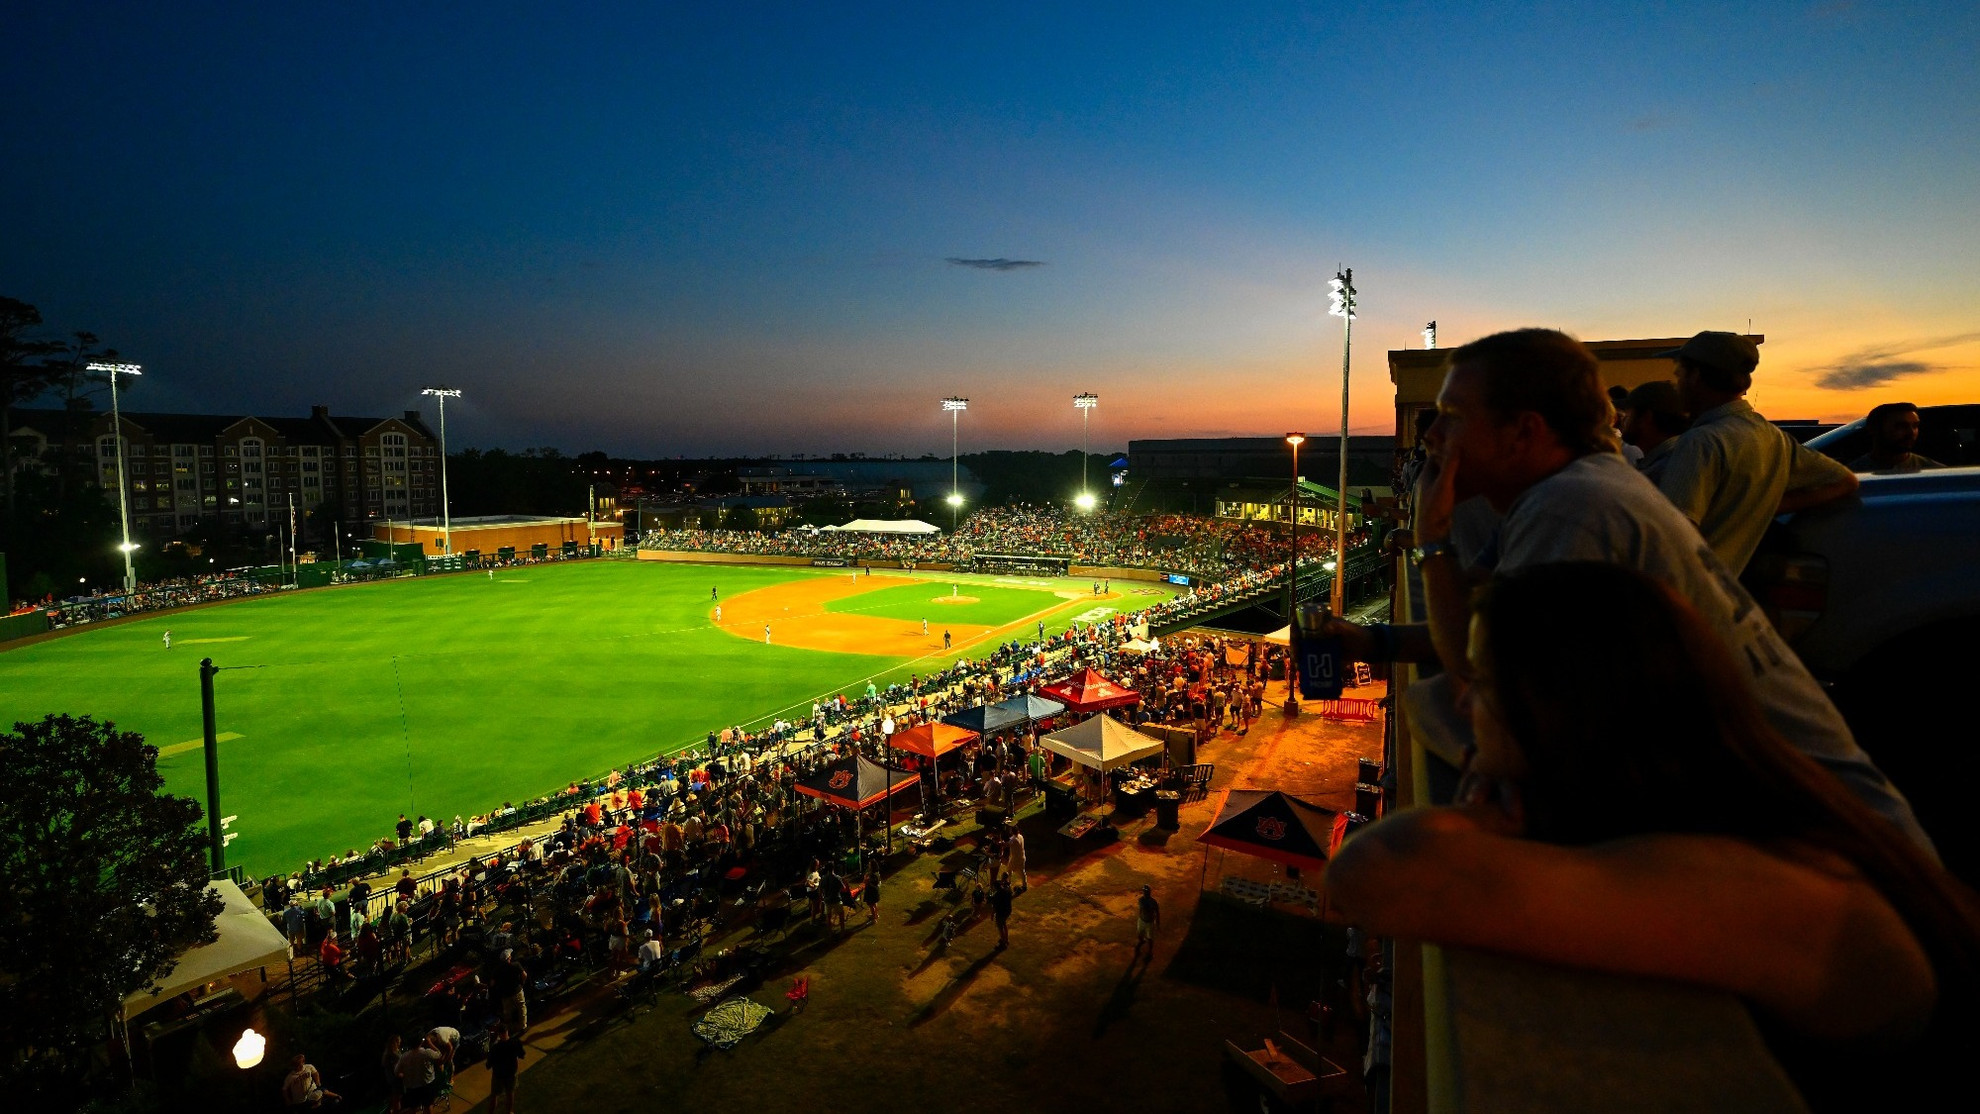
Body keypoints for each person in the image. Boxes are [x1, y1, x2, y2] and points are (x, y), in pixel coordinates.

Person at [1325, 562, 1980, 1109]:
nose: (1465, 704)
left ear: (1563, 704)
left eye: (1486, 684)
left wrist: (1484, 816)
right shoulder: (1720, 795)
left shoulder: (1750, 875)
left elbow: (1373, 874)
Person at [1331, 328, 1928, 851]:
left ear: (1522, 432)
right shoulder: (1574, 488)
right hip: (1786, 817)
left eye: (1452, 415)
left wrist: (1432, 536)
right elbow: (1476, 630)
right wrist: (1374, 640)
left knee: (1420, 789)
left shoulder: (1573, 508)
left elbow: (1473, 669)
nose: (1433, 435)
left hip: (1831, 844)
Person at [1654, 330, 1859, 573]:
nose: (1676, 383)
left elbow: (1670, 541)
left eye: (1679, 373)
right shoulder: (1773, 437)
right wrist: (1762, 507)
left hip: (1684, 588)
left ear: (1696, 376)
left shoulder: (1701, 442)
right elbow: (1844, 481)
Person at [1618, 379, 1690, 482]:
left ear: (1645, 418)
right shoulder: (1676, 458)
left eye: (1628, 413)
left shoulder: (1666, 469)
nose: (1624, 419)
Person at [1847, 402, 1943, 473]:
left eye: (1915, 426)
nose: (1911, 432)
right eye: (1901, 426)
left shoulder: (1934, 472)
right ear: (1874, 429)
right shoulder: (1851, 476)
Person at [395, 1036, 445, 1114]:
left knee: (413, 1108)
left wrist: (405, 1075)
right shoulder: (426, 1052)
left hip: (411, 1086)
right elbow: (439, 1054)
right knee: (428, 1106)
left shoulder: (404, 1056)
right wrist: (430, 1043)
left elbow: (396, 1071)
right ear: (420, 1042)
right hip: (426, 1084)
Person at [486, 1022, 526, 1114]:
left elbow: (488, 1065)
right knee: (510, 1093)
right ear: (507, 1031)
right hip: (511, 1073)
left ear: (499, 1034)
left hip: (498, 1075)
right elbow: (522, 1055)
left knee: (494, 1095)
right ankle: (509, 1112)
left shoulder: (495, 1047)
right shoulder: (515, 1042)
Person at [1132, 884, 1160, 958]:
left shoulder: (1153, 902)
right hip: (1141, 920)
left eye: (1146, 891)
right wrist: (1139, 918)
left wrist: (1157, 923)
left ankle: (1150, 951)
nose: (1145, 892)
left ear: (1149, 892)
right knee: (1139, 934)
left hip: (1149, 923)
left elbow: (1157, 913)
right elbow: (1141, 910)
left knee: (1150, 938)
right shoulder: (1141, 900)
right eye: (1144, 891)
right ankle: (1142, 941)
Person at [990, 875, 1014, 948]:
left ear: (995, 887)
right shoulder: (1007, 891)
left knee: (1000, 927)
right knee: (1004, 924)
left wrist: (992, 915)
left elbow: (994, 907)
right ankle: (1006, 939)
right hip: (1008, 910)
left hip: (1001, 913)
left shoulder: (996, 895)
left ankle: (1003, 943)